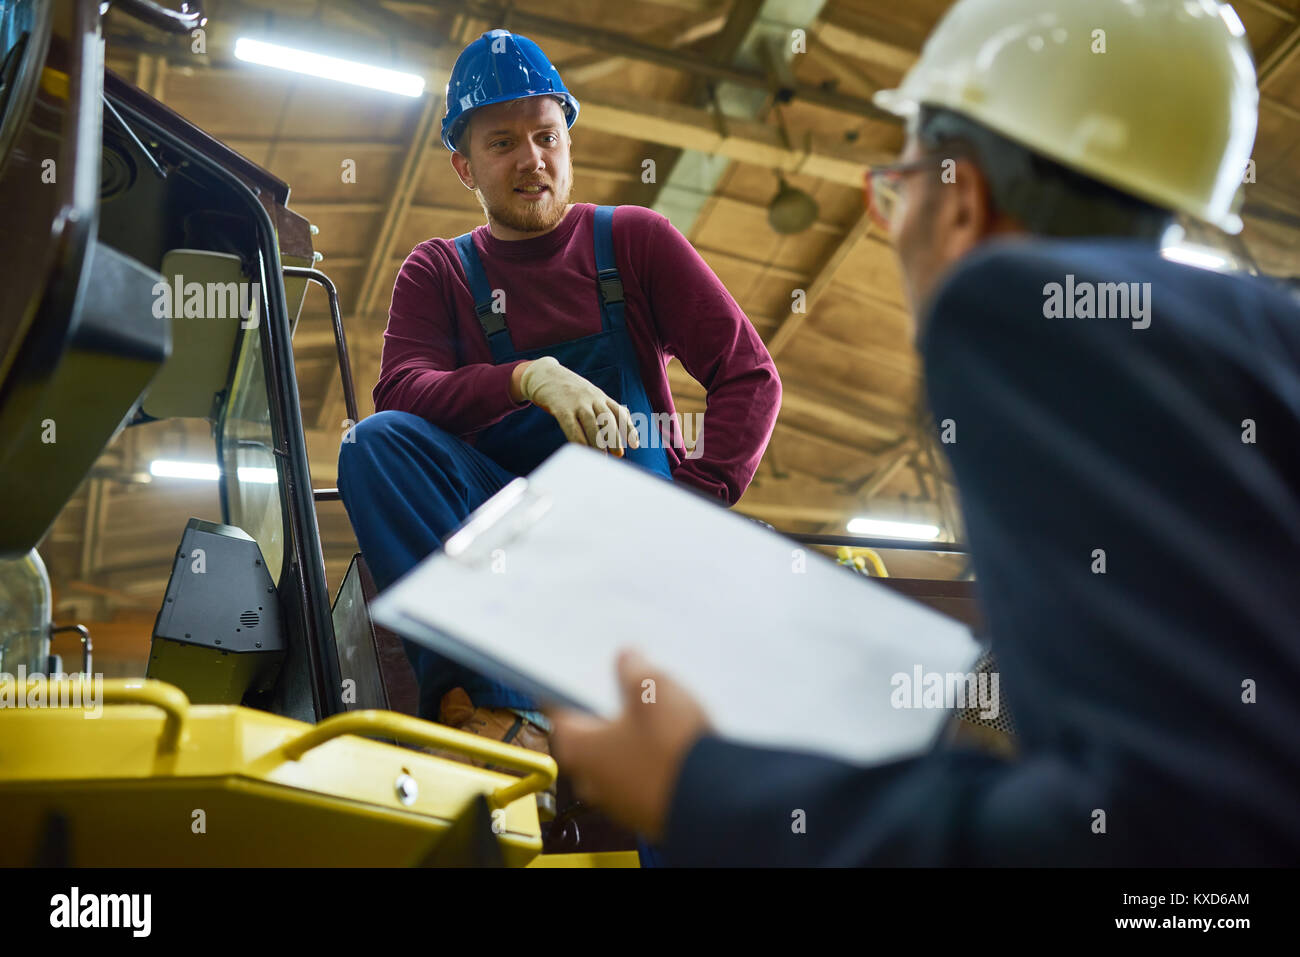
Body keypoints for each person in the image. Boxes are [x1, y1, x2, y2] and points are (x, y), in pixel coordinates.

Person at [551, 0, 1300, 864]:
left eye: (897, 190)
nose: (895, 224)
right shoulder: (1259, 339)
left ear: (960, 199)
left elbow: (1177, 843)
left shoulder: (1016, 313)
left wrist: (703, 786)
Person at [336, 29, 781, 815]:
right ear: (465, 166)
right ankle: (502, 709)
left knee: (669, 798)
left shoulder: (634, 242)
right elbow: (401, 391)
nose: (531, 159)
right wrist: (525, 377)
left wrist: (697, 501)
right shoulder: (440, 272)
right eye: (503, 142)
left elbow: (748, 374)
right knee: (375, 446)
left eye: (547, 136)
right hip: (503, 552)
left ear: (568, 142)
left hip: (630, 546)